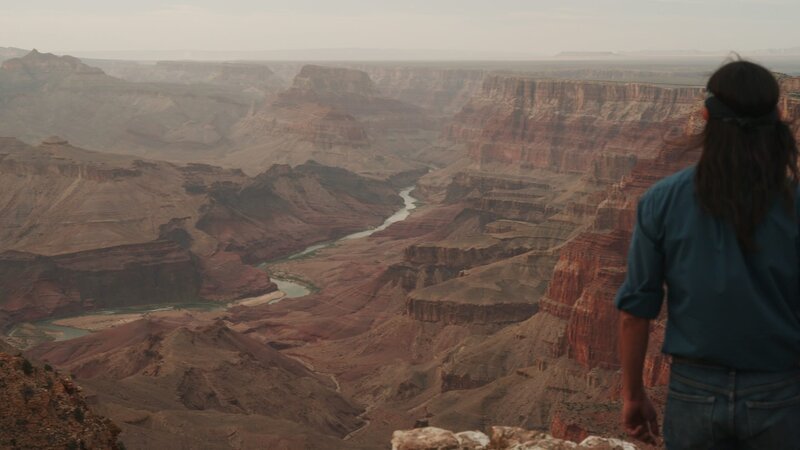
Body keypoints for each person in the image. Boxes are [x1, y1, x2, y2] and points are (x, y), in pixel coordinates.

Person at [615, 59, 800, 449]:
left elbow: (635, 312)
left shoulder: (662, 200)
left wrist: (633, 395)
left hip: (694, 392)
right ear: (779, 116)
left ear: (704, 117)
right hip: (781, 393)